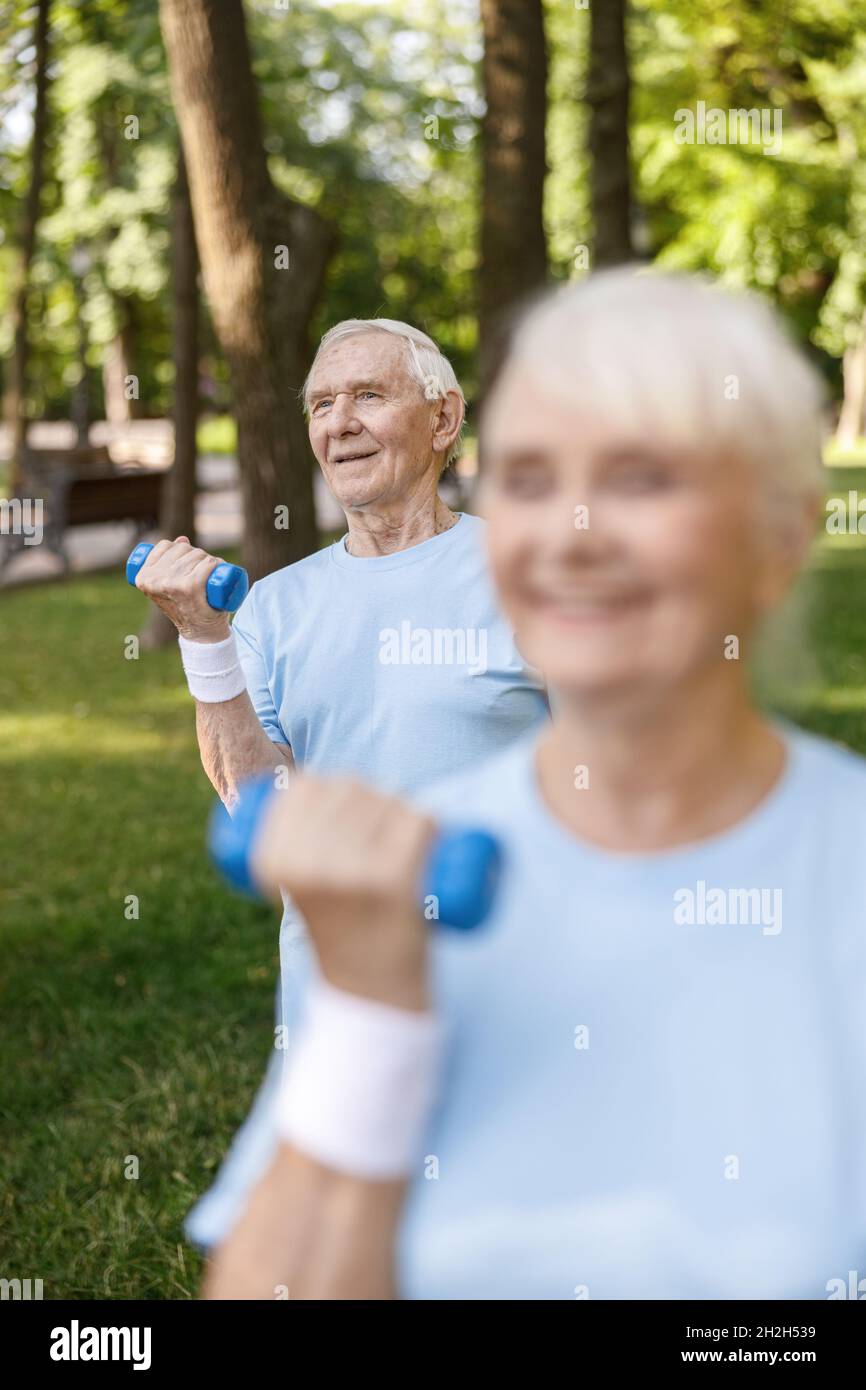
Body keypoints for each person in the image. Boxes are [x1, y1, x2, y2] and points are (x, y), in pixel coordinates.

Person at [203, 268, 866, 1300]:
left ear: (777, 535)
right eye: (526, 478)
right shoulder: (405, 892)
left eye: (641, 477)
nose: (569, 533)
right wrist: (376, 1016)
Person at [133, 319, 547, 1249]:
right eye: (322, 403)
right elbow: (262, 814)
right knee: (341, 1252)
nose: (339, 423)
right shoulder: (277, 606)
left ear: (443, 418)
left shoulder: (529, 574)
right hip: (341, 1001)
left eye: (368, 395)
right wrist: (207, 645)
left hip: (519, 986)